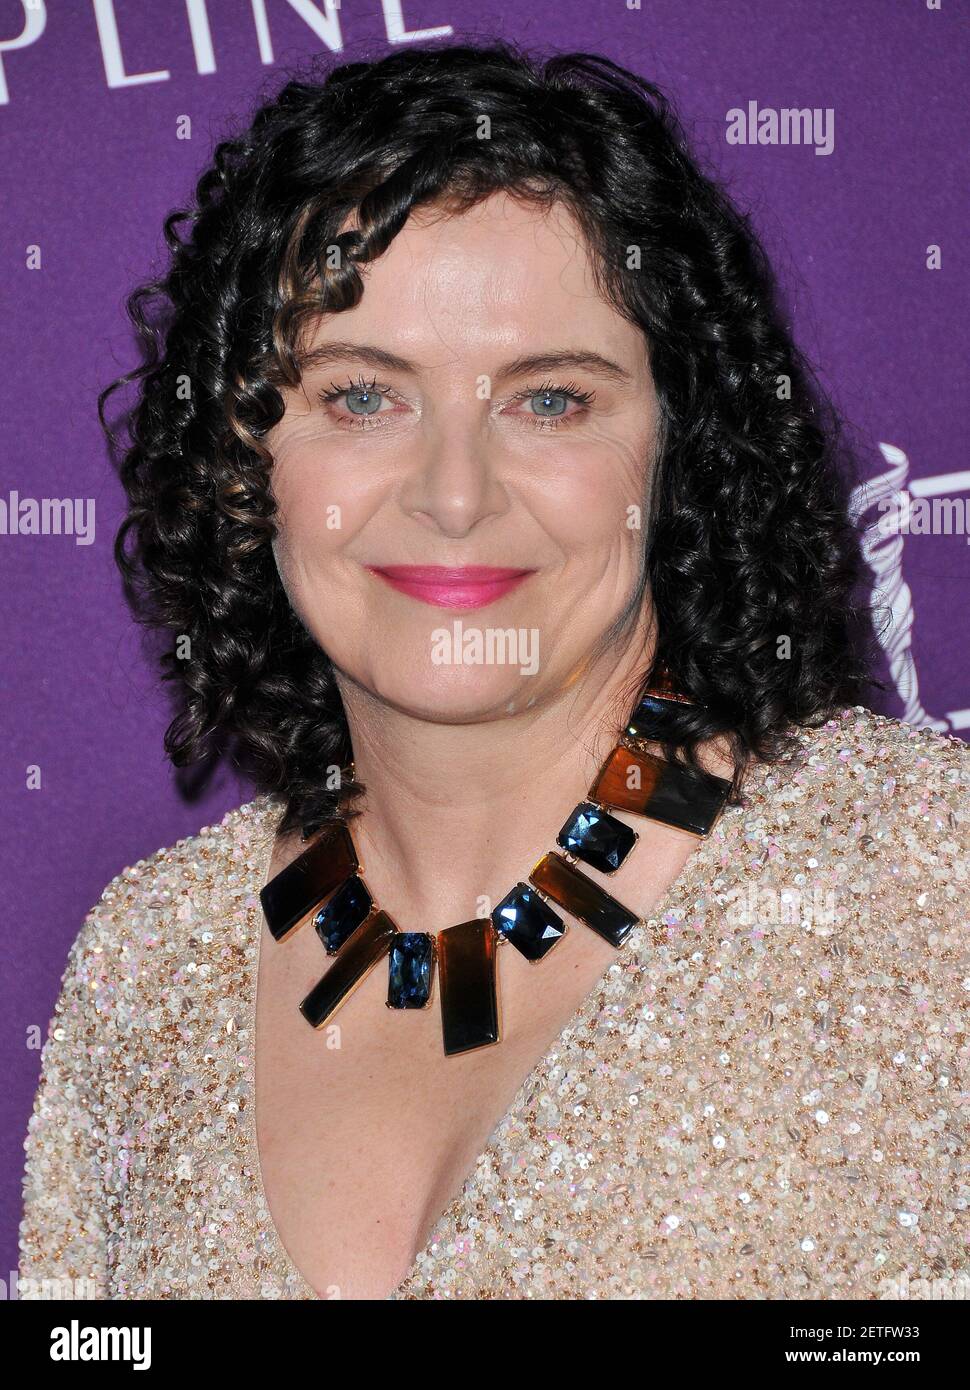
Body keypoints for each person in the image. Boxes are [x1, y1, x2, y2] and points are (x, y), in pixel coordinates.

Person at [18, 41, 968, 1301]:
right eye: (361, 397)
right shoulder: (147, 963)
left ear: (675, 453)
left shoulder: (923, 881)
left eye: (552, 401)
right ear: (247, 462)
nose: (454, 495)